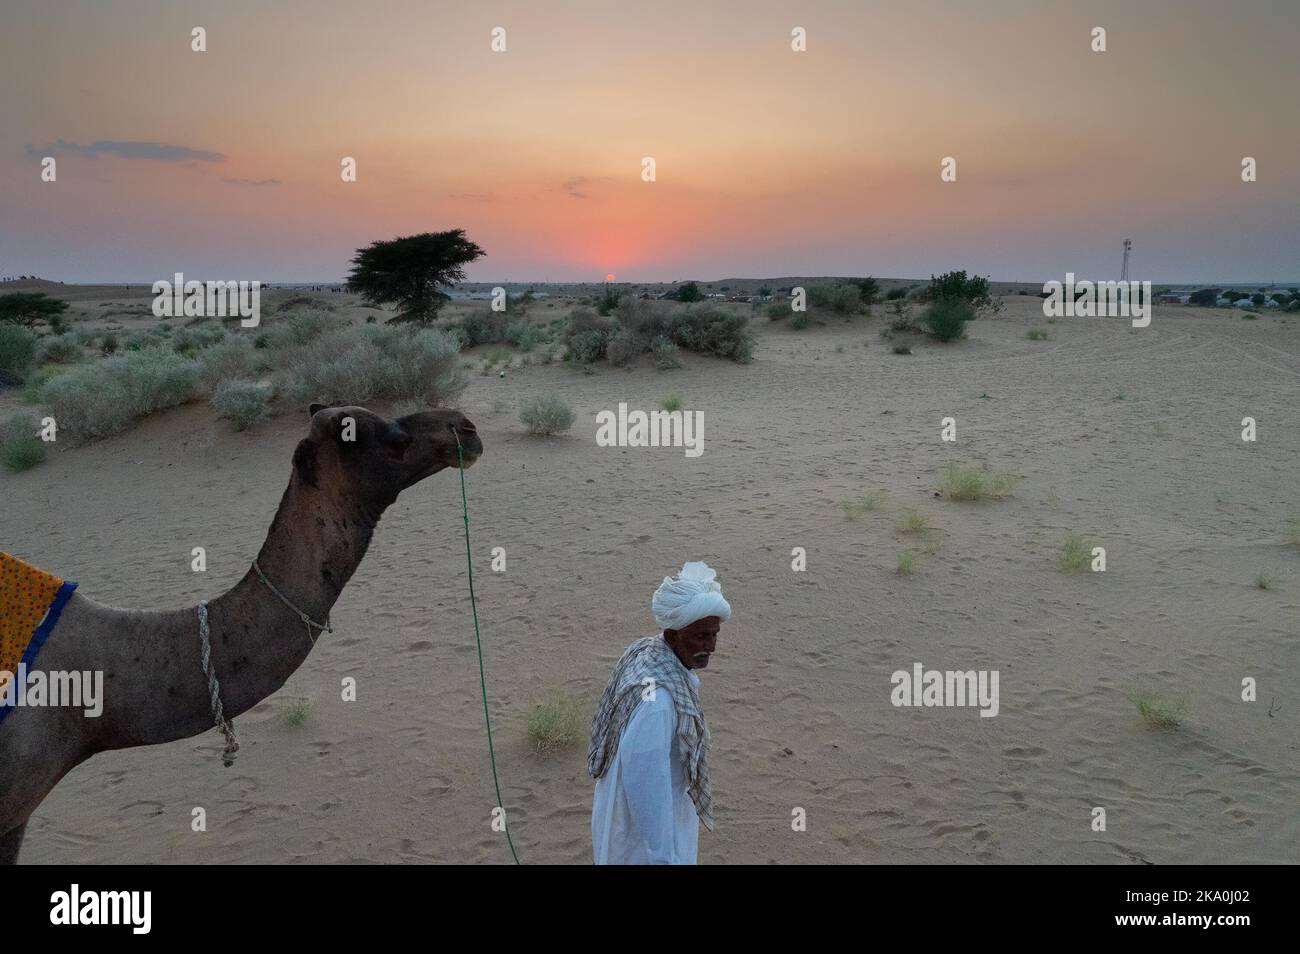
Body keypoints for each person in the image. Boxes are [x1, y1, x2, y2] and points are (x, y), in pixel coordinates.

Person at [588, 561, 731, 864]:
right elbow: (645, 783)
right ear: (672, 635)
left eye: (714, 635)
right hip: (643, 839)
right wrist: (664, 857)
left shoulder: (648, 654)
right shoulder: (660, 703)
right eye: (701, 636)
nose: (712, 646)